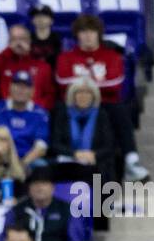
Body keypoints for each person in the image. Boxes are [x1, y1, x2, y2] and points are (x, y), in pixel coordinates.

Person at [56, 12, 148, 181]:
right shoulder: (66, 57)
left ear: (99, 34)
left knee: (120, 109)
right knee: (58, 108)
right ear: (77, 35)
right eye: (83, 32)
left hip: (105, 104)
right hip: (74, 105)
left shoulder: (111, 56)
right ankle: (66, 156)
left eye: (92, 31)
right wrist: (95, 81)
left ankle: (131, 161)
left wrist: (82, 83)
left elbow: (115, 83)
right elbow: (62, 81)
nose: (88, 36)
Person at [50, 76, 117, 182]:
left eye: (87, 93)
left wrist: (93, 155)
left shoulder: (101, 115)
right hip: (69, 159)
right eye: (79, 92)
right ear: (73, 95)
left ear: (93, 96)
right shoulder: (63, 114)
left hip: (94, 161)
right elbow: (55, 144)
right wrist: (75, 154)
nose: (83, 96)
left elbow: (109, 145)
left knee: (104, 166)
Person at [0, 68, 49, 165]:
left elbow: (41, 147)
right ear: (10, 87)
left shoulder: (40, 114)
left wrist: (21, 165)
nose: (21, 90)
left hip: (27, 161)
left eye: (26, 87)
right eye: (17, 85)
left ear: (33, 91)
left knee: (41, 165)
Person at [0, 24, 55, 111]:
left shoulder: (42, 66)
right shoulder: (4, 61)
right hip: (7, 112)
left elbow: (50, 95)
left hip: (33, 114)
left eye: (22, 39)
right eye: (14, 39)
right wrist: (8, 50)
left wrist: (37, 108)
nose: (18, 43)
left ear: (29, 41)